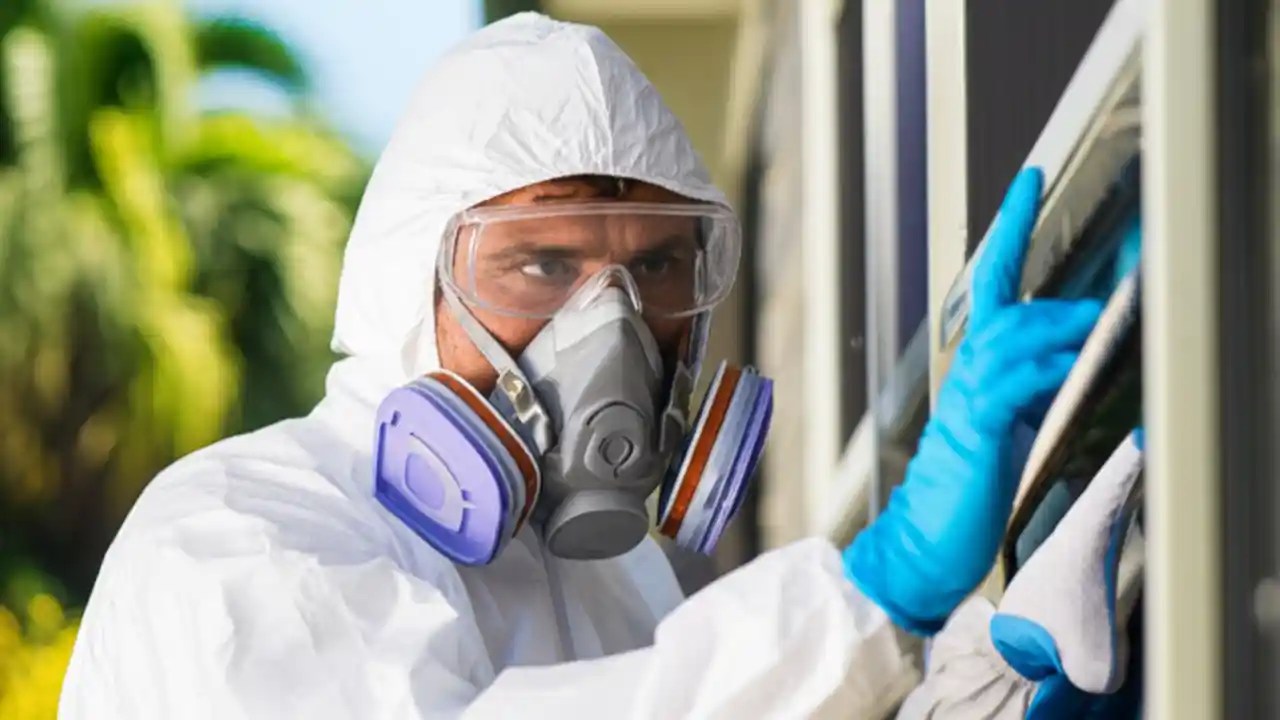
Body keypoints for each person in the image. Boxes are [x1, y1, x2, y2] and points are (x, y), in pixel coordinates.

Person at [59, 13, 1102, 719]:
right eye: (540, 262)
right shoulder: (234, 534)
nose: (607, 326)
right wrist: (870, 601)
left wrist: (972, 683)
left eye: (655, 265)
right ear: (409, 286)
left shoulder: (612, 582)